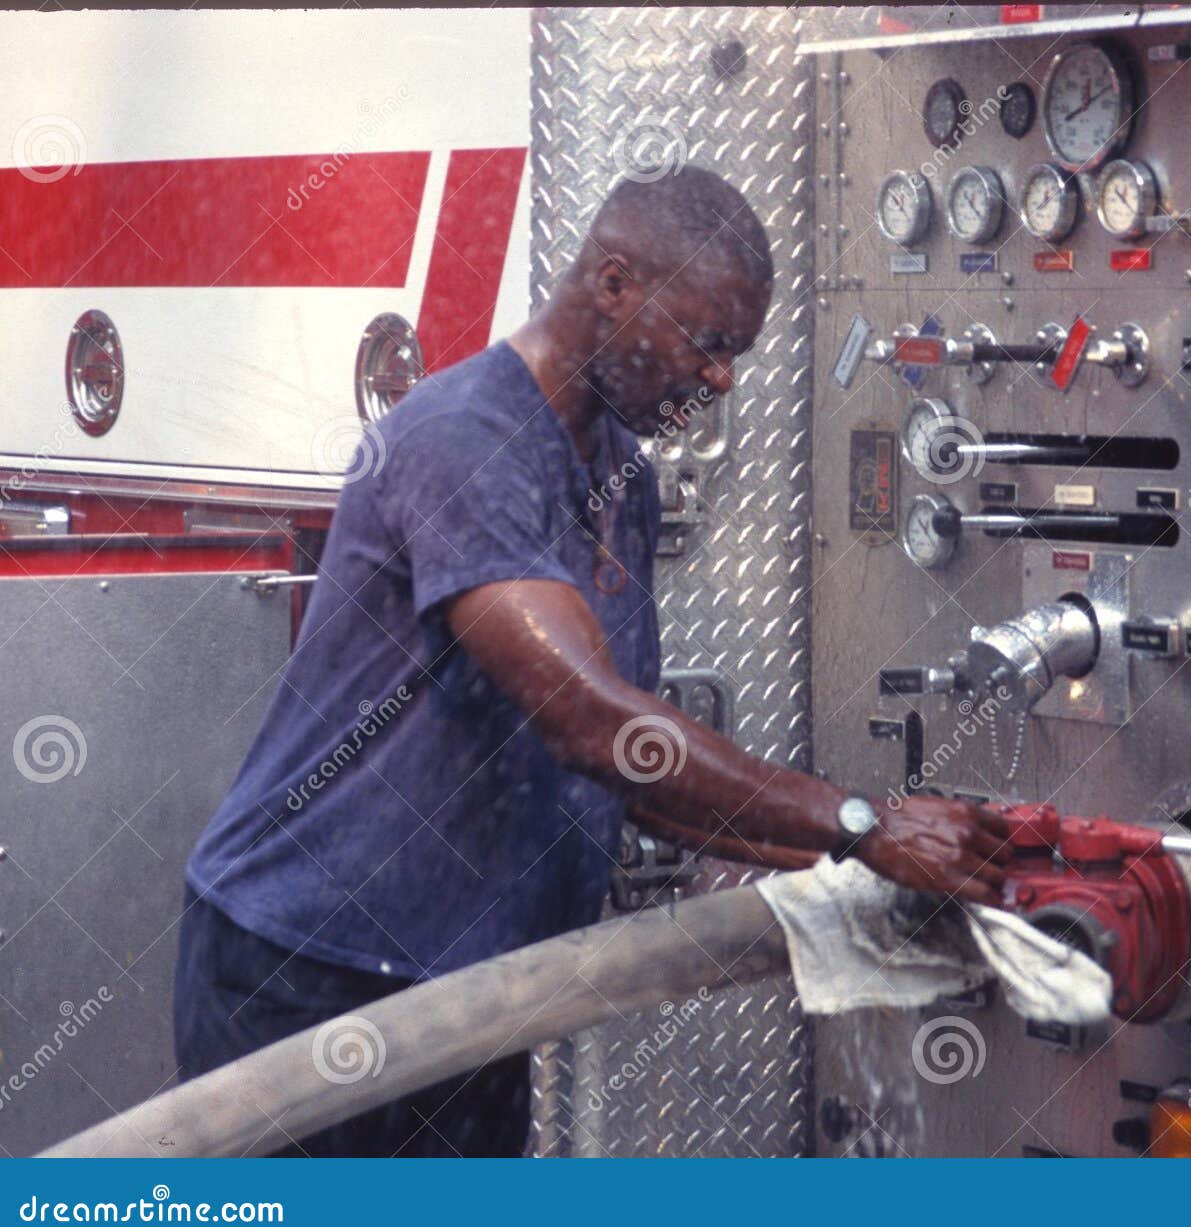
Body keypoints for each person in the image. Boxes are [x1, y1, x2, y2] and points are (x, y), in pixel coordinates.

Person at [175, 165, 1011, 1156]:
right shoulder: (461, 441)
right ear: (612, 284)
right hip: (309, 975)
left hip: (470, 993)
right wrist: (860, 824)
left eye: (735, 353)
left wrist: (864, 865)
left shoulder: (618, 471)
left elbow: (634, 778)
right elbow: (588, 720)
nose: (721, 380)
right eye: (707, 343)